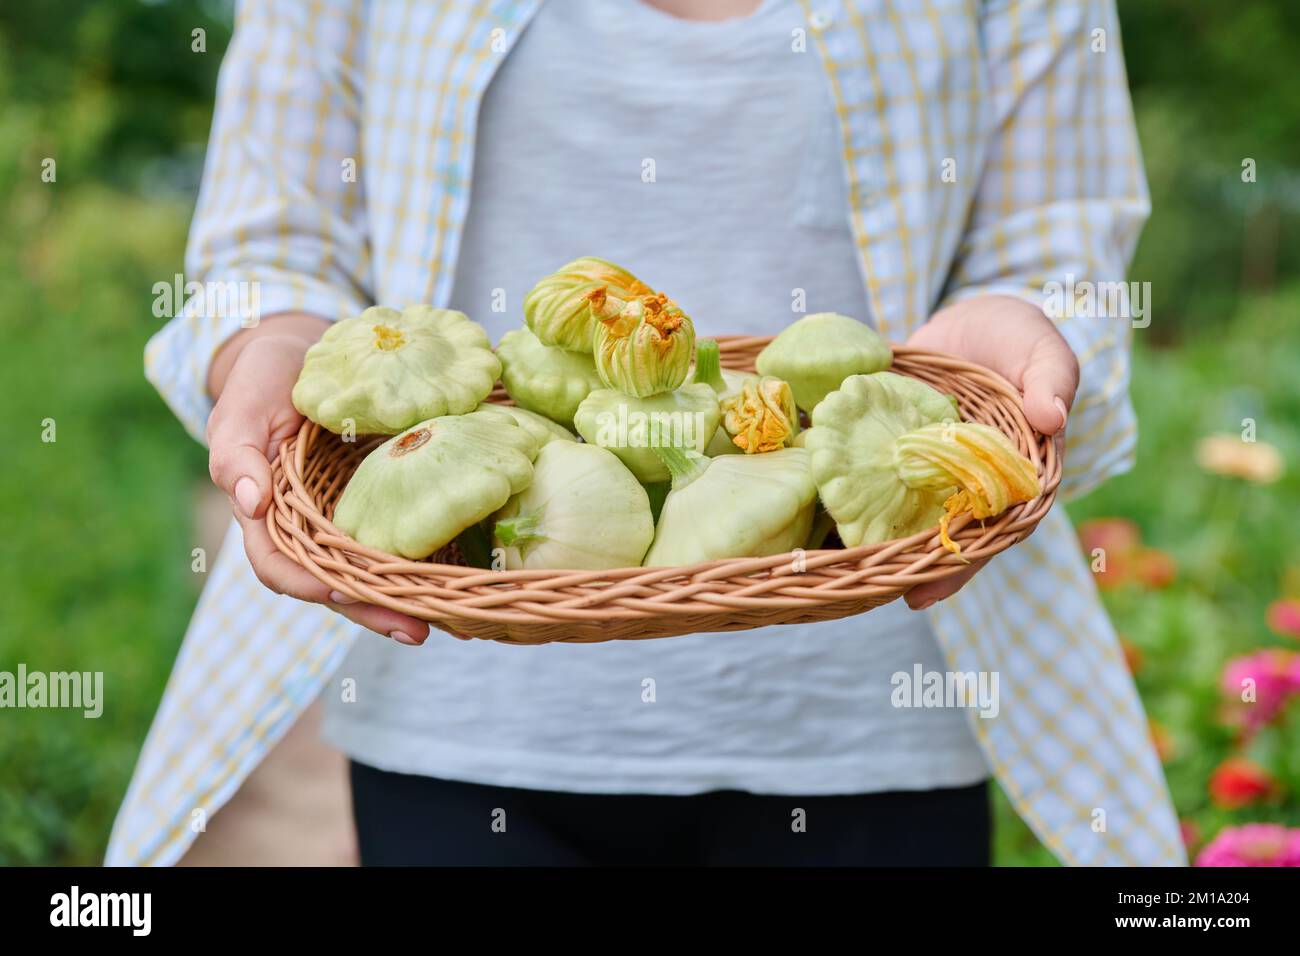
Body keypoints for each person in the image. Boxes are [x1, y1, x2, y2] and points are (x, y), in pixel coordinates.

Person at [110, 0, 1185, 866]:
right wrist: (274, 337)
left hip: (871, 722)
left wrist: (1025, 335)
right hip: (463, 713)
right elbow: (272, 243)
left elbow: (1057, 246)